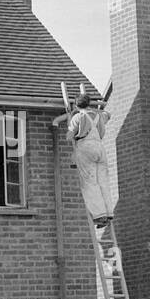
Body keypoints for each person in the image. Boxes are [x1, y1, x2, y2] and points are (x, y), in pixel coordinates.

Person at [66, 94, 114, 227]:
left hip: (85, 148)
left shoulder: (78, 117)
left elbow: (69, 137)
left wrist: (70, 122)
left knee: (89, 182)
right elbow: (108, 114)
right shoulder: (99, 116)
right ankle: (109, 212)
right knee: (103, 181)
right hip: (100, 148)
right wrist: (95, 110)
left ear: (76, 105)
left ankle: (99, 216)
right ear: (88, 104)